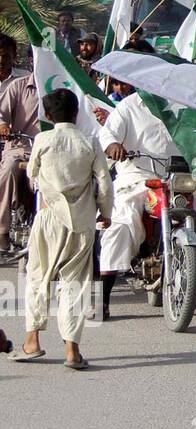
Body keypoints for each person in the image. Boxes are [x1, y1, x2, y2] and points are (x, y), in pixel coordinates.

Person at [100, 64, 196, 319]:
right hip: (139, 176)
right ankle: (102, 297)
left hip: (182, 177)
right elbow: (108, 134)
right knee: (121, 222)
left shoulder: (187, 103)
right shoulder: (129, 106)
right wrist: (113, 145)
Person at [10, 90, 112, 368]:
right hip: (82, 222)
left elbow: (31, 175)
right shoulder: (89, 141)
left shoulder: (43, 139)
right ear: (77, 113)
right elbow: (104, 185)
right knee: (75, 284)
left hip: (47, 220)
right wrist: (106, 213)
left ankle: (32, 342)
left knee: (38, 278)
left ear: (46, 115)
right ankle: (72, 351)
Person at [0, 73, 37, 252]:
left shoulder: (62, 84)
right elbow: (2, 114)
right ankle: (2, 229)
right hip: (19, 147)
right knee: (9, 170)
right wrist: (3, 126)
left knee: (44, 182)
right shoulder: (18, 86)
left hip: (46, 150)